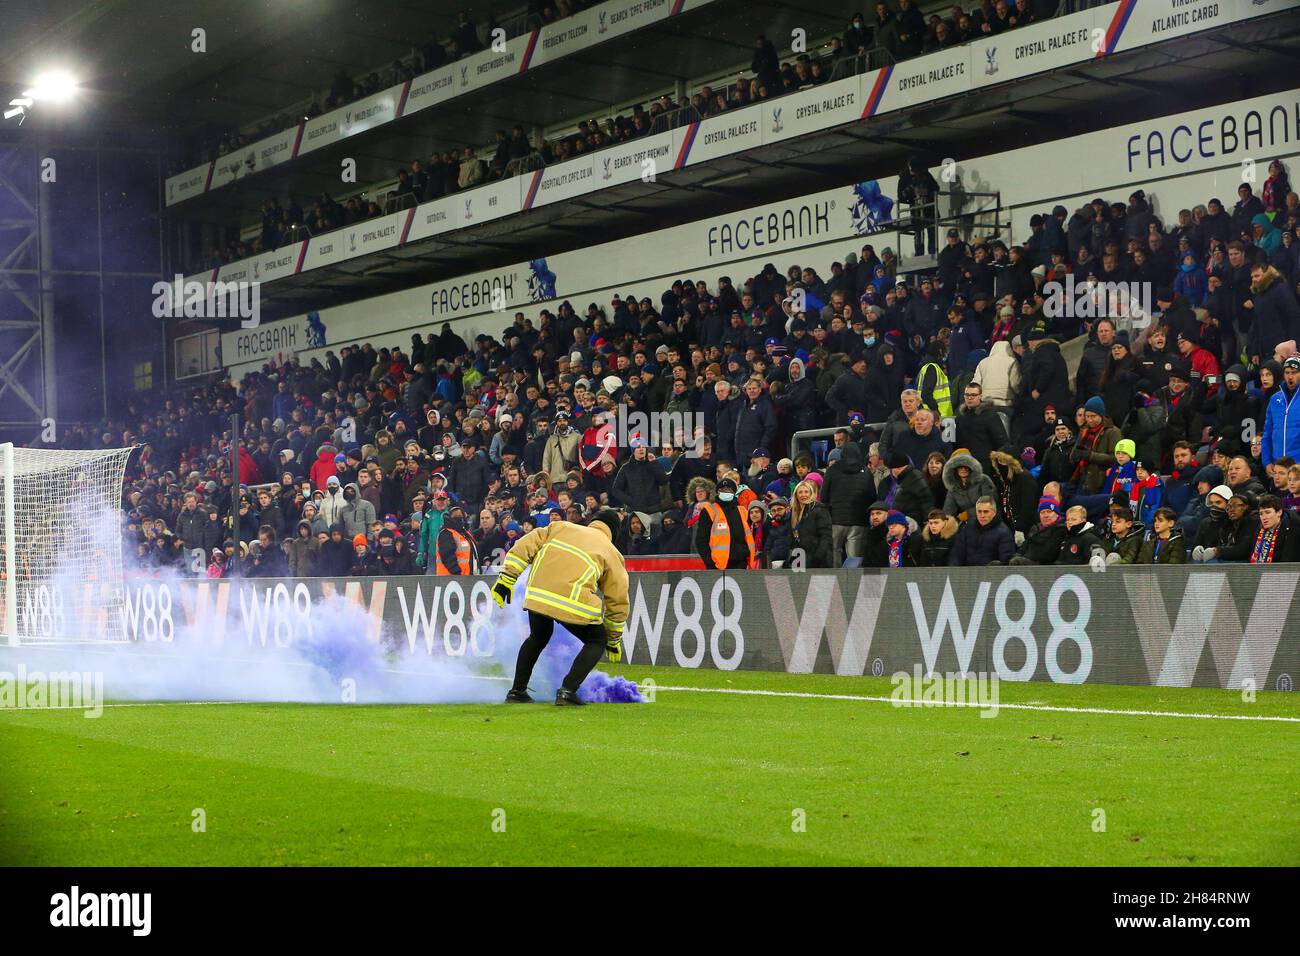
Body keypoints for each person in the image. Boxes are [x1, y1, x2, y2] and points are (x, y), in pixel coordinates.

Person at [492, 509, 629, 706]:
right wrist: (613, 639)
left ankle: (517, 691)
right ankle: (567, 691)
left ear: (593, 521)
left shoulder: (559, 526)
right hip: (572, 601)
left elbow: (524, 545)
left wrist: (507, 578)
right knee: (597, 640)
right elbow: (618, 598)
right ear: (615, 531)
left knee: (537, 637)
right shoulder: (611, 551)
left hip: (538, 594)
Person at [694, 477, 756, 569]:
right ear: (718, 492)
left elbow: (749, 536)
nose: (726, 492)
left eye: (729, 489)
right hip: (718, 566)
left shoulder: (742, 511)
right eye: (723, 489)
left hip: (741, 564)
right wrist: (710, 563)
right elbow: (701, 540)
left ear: (734, 492)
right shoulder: (709, 511)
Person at [950, 497, 1015, 566]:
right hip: (967, 574)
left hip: (991, 574)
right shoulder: (967, 529)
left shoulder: (1004, 532)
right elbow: (956, 556)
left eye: (986, 512)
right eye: (979, 511)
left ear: (994, 512)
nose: (982, 515)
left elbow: (1005, 561)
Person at [790, 478, 833, 567]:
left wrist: (818, 556)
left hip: (818, 559)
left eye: (806, 492)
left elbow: (826, 535)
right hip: (801, 557)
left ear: (811, 494)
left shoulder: (819, 510)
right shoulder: (794, 513)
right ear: (796, 495)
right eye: (800, 492)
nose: (803, 495)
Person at [435, 504, 480, 575]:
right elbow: (448, 557)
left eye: (461, 516)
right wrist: (458, 573)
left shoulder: (465, 533)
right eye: (456, 517)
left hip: (467, 578)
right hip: (451, 580)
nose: (460, 519)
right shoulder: (446, 533)